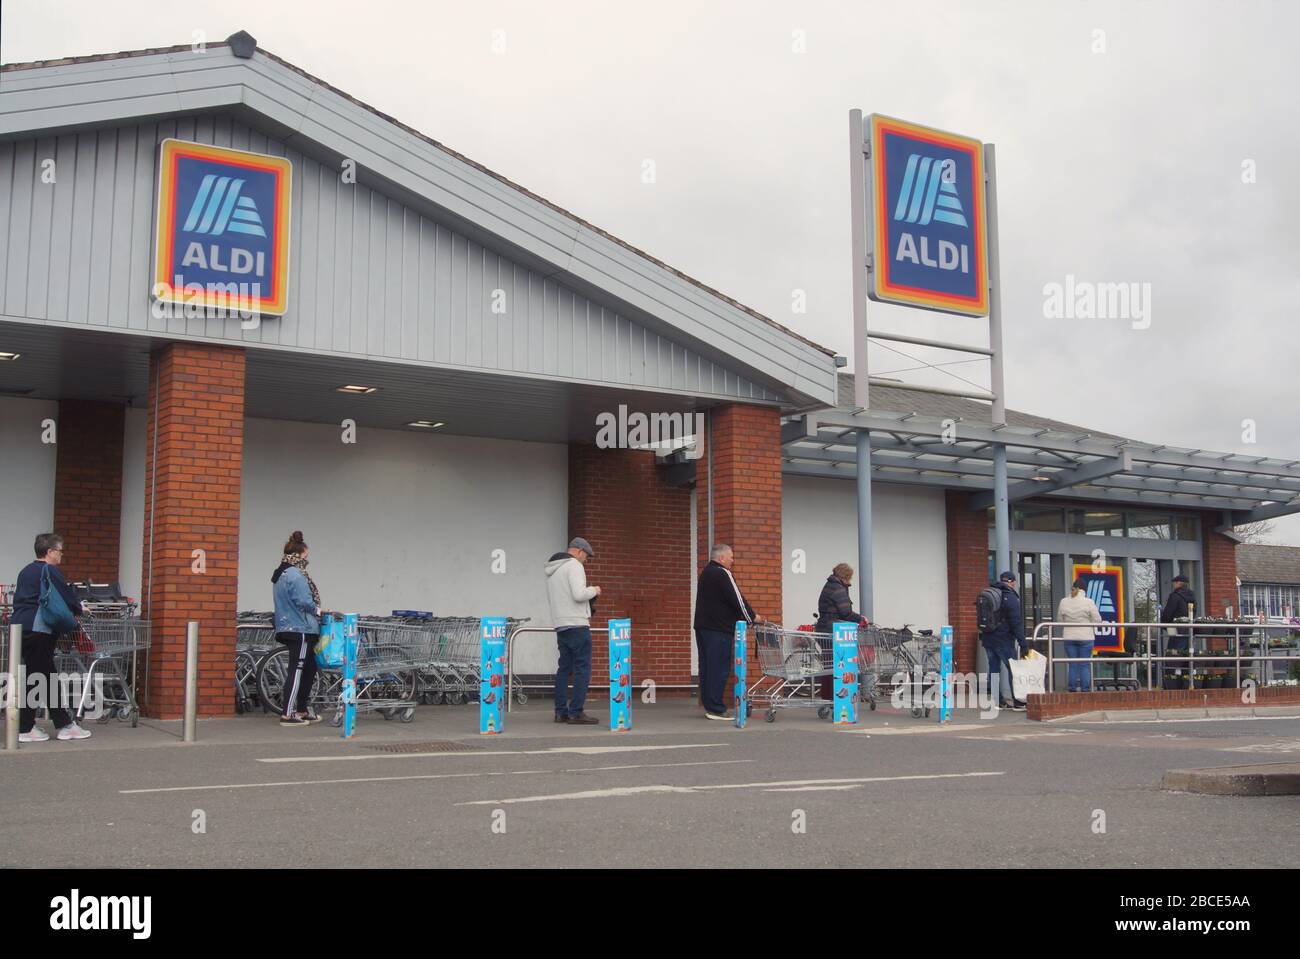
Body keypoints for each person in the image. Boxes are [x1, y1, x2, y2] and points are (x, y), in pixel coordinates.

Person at [11, 533, 92, 743]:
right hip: (40, 628)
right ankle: (54, 726)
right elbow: (65, 596)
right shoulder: (50, 570)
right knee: (42, 677)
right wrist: (79, 608)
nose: (61, 555)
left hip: (21, 627)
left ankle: (38, 725)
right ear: (49, 552)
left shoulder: (25, 571)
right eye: (60, 551)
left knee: (38, 677)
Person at [693, 544, 756, 721]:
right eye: (731, 557)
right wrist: (751, 617)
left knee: (706, 667)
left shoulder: (706, 573)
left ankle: (709, 704)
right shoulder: (722, 573)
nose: (732, 561)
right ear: (721, 558)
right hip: (718, 629)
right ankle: (716, 708)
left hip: (703, 627)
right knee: (718, 668)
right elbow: (737, 599)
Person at [544, 537, 601, 725]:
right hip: (577, 624)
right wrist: (594, 590)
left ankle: (560, 712)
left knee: (564, 669)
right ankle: (576, 712)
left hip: (561, 624)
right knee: (582, 669)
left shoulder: (553, 570)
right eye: (586, 556)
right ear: (578, 551)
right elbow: (578, 594)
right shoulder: (574, 566)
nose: (586, 560)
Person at [272, 531, 324, 727]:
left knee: (309, 668)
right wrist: (317, 609)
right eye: (306, 556)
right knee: (298, 668)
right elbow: (303, 601)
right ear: (300, 554)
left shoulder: (280, 573)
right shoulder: (295, 574)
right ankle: (288, 713)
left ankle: (302, 709)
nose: (306, 560)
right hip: (300, 627)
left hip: (288, 625)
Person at [814, 563, 867, 699]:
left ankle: (827, 698)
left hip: (824, 628)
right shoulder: (838, 588)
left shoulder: (830, 585)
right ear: (845, 576)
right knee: (836, 665)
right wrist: (861, 619)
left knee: (829, 665)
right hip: (833, 631)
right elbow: (845, 612)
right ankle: (835, 699)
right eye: (849, 578)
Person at [983, 570, 1027, 711]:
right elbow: (1016, 623)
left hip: (988, 638)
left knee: (994, 669)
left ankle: (997, 702)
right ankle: (1018, 701)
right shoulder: (1010, 598)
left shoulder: (991, 594)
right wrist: (1023, 643)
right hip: (1003, 639)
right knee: (1013, 669)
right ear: (1012, 582)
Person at [1057, 579, 1103, 692]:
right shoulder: (1088, 602)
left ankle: (1071, 688)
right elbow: (1097, 620)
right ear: (1084, 590)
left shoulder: (1064, 601)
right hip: (1086, 637)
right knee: (1084, 664)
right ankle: (1085, 689)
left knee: (1072, 664)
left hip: (1069, 637)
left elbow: (1059, 620)